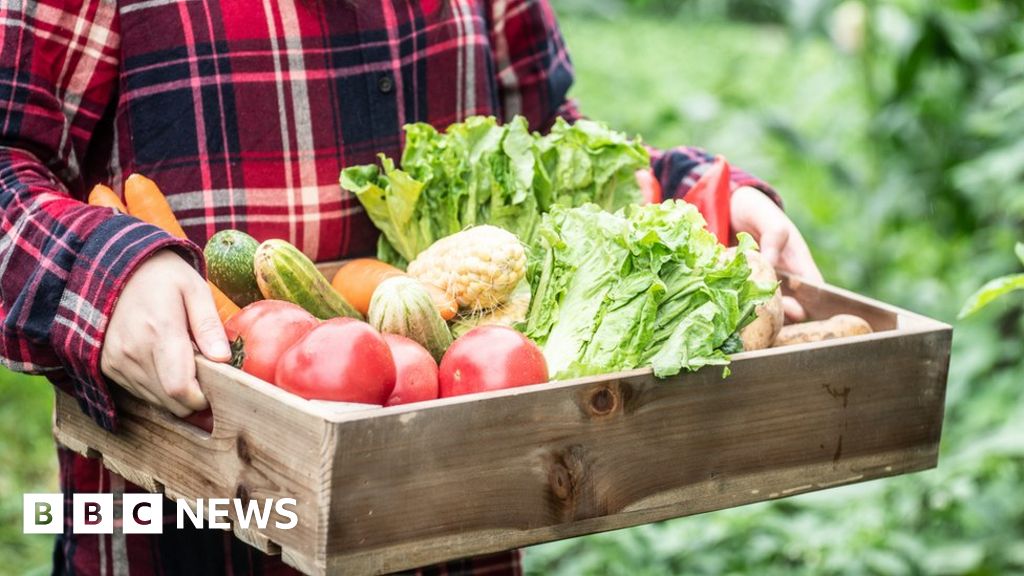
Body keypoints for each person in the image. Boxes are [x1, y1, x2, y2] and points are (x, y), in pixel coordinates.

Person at [0, 0, 821, 574]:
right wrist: (104, 274)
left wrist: (699, 196)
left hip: (455, 533)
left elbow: (541, 153)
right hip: (185, 539)